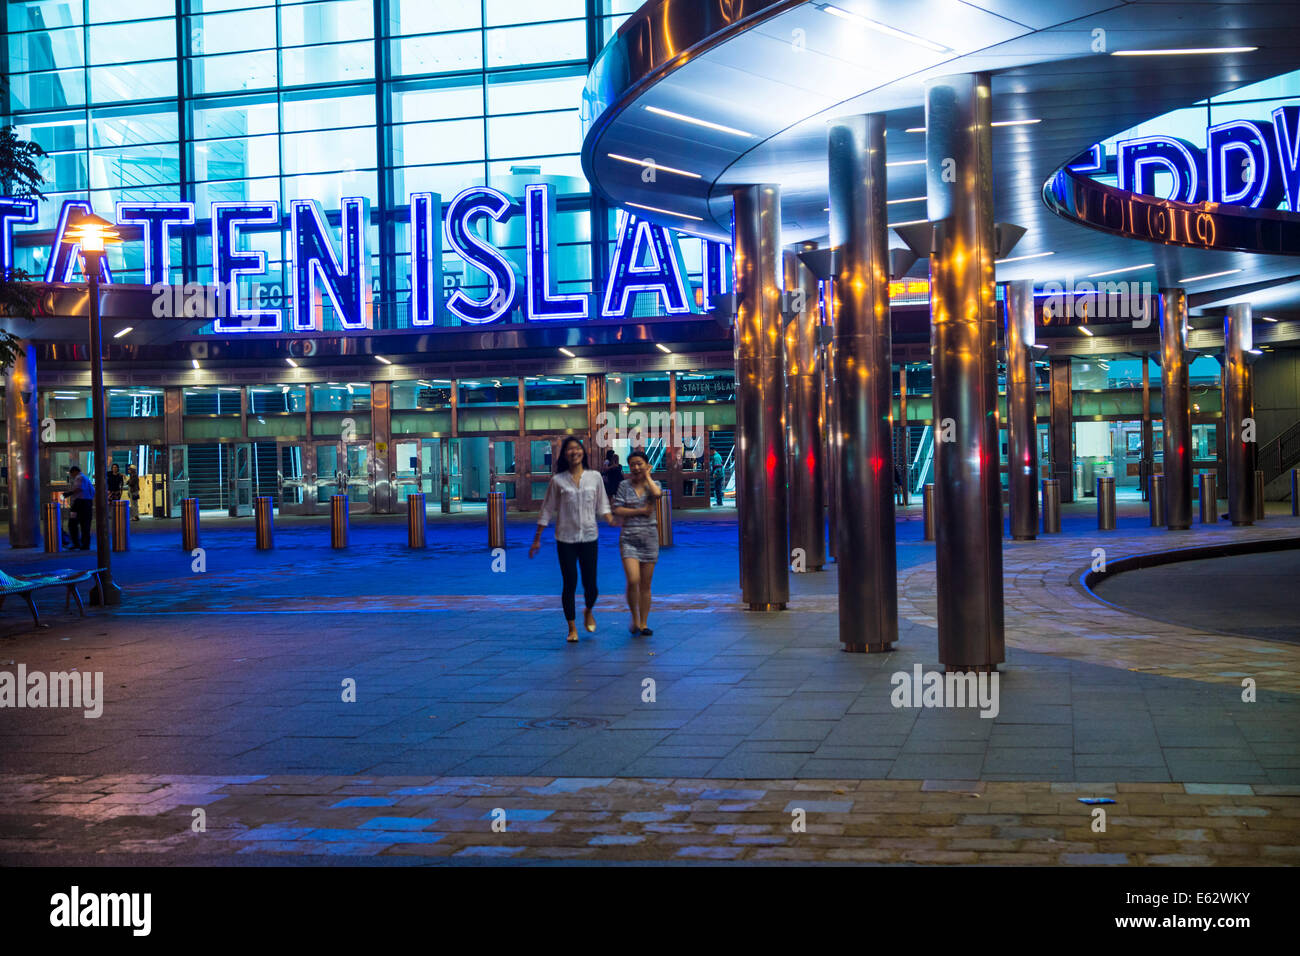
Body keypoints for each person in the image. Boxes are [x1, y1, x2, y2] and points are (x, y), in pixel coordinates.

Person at [529, 437, 614, 643]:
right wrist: (537, 538)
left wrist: (612, 519)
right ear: (564, 455)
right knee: (569, 583)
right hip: (565, 538)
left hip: (589, 537)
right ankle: (572, 627)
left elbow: (603, 505)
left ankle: (588, 609)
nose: (574, 452)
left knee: (591, 585)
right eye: (569, 449)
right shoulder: (557, 480)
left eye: (577, 448)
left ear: (583, 452)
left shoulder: (594, 477)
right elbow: (547, 509)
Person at [611, 450, 661, 636]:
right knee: (633, 580)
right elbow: (618, 510)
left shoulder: (653, 484)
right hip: (629, 539)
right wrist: (640, 511)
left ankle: (643, 623)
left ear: (647, 466)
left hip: (649, 539)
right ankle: (634, 616)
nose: (636, 467)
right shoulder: (624, 485)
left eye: (640, 463)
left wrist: (647, 476)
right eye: (632, 464)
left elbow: (657, 494)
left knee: (646, 585)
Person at [63, 465, 94, 550]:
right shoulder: (86, 478)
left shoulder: (79, 477)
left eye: (71, 474)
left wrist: (68, 493)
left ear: (75, 471)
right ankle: (85, 544)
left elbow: (79, 488)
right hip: (86, 503)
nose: (72, 476)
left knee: (73, 523)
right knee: (85, 524)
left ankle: (77, 543)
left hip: (79, 504)